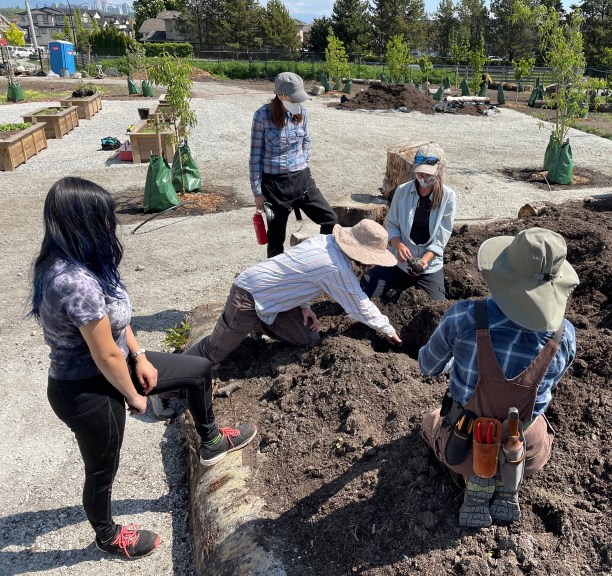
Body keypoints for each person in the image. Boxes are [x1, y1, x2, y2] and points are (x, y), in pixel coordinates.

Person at [30, 177, 257, 560]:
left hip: (116, 366)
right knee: (103, 469)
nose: (110, 224)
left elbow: (118, 322)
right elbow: (105, 357)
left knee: (198, 369)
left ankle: (212, 440)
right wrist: (134, 395)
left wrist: (140, 355)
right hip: (86, 388)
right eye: (102, 217)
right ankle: (106, 535)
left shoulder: (85, 258)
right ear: (79, 221)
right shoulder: (72, 281)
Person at [418, 227, 579, 528]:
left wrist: (458, 361)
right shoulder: (564, 336)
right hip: (525, 448)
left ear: (504, 273)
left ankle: (475, 477)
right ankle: (508, 481)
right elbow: (549, 386)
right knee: (527, 423)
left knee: (431, 420)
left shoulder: (464, 317)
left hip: (464, 443)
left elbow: (428, 366)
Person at [186, 219, 402, 363]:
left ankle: (260, 322)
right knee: (213, 352)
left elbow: (296, 272)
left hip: (274, 298)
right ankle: (162, 385)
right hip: (250, 296)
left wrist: (304, 305)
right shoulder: (336, 267)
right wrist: (387, 329)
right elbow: (359, 305)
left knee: (308, 337)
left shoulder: (325, 241)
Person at [251, 71, 338, 258]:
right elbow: (255, 156)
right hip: (275, 186)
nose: (298, 102)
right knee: (275, 240)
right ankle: (278, 281)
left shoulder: (302, 113)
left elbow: (306, 140)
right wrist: (258, 192)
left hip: (302, 181)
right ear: (281, 96)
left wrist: (303, 161)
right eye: (293, 98)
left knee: (331, 220)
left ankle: (319, 260)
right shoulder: (262, 116)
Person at [361, 143, 456, 302]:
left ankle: (407, 286)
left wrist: (424, 262)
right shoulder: (403, 190)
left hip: (429, 267)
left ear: (439, 170)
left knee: (437, 307)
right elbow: (392, 224)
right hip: (399, 262)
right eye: (420, 172)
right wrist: (398, 245)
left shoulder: (448, 197)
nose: (423, 177)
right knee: (366, 287)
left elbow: (441, 237)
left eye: (428, 173)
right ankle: (398, 288)